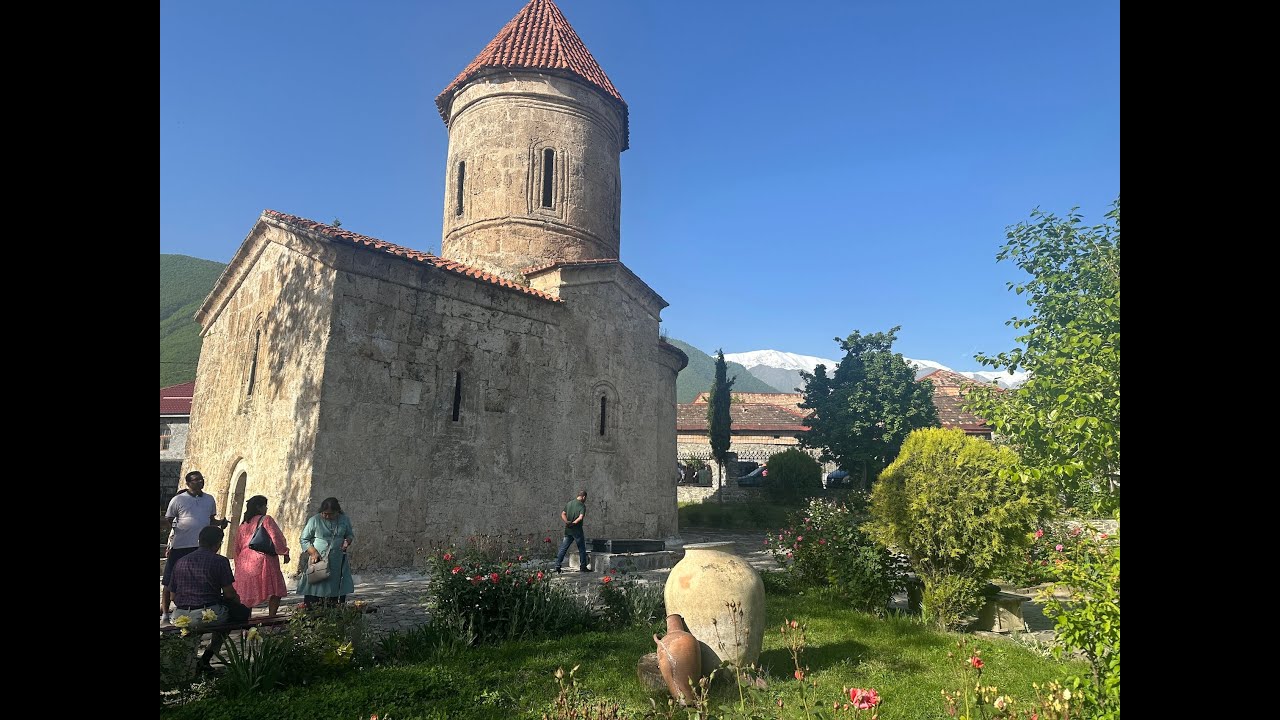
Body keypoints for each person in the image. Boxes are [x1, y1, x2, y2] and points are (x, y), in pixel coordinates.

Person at [168, 526, 250, 672]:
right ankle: (206, 658)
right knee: (233, 616)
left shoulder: (181, 561)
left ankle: (186, 663)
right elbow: (229, 593)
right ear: (218, 543)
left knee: (193, 627)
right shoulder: (220, 561)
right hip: (207, 613)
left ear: (199, 540)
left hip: (179, 614)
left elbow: (173, 596)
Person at [161, 470, 229, 624]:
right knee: (169, 580)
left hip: (202, 547)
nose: (200, 482)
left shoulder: (209, 499)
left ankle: (202, 610)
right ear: (188, 483)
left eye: (201, 479)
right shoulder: (178, 500)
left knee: (201, 578)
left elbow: (211, 520)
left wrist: (220, 523)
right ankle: (165, 614)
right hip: (181, 545)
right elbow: (168, 520)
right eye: (196, 480)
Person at [232, 495, 291, 617]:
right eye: (265, 505)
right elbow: (276, 537)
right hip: (263, 558)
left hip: (245, 560)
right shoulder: (266, 519)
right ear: (259, 507)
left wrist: (238, 564)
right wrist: (284, 552)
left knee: (247, 592)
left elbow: (237, 546)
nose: (266, 508)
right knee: (275, 589)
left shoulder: (242, 525)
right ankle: (271, 617)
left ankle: (246, 619)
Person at [297, 497, 355, 606]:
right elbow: (304, 539)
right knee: (317, 587)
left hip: (337, 560)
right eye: (324, 513)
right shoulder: (314, 520)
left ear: (337, 512)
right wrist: (313, 552)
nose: (327, 516)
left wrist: (347, 541)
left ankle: (333, 609)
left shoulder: (344, 520)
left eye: (330, 514)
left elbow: (349, 534)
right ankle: (313, 609)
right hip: (319, 559)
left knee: (334, 587)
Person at [554, 489, 591, 573]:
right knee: (582, 549)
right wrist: (574, 523)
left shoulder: (569, 503)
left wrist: (567, 522)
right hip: (577, 530)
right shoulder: (582, 506)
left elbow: (563, 514)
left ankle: (557, 565)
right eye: (585, 498)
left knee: (563, 548)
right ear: (583, 497)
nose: (585, 500)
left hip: (568, 530)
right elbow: (581, 517)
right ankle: (583, 567)